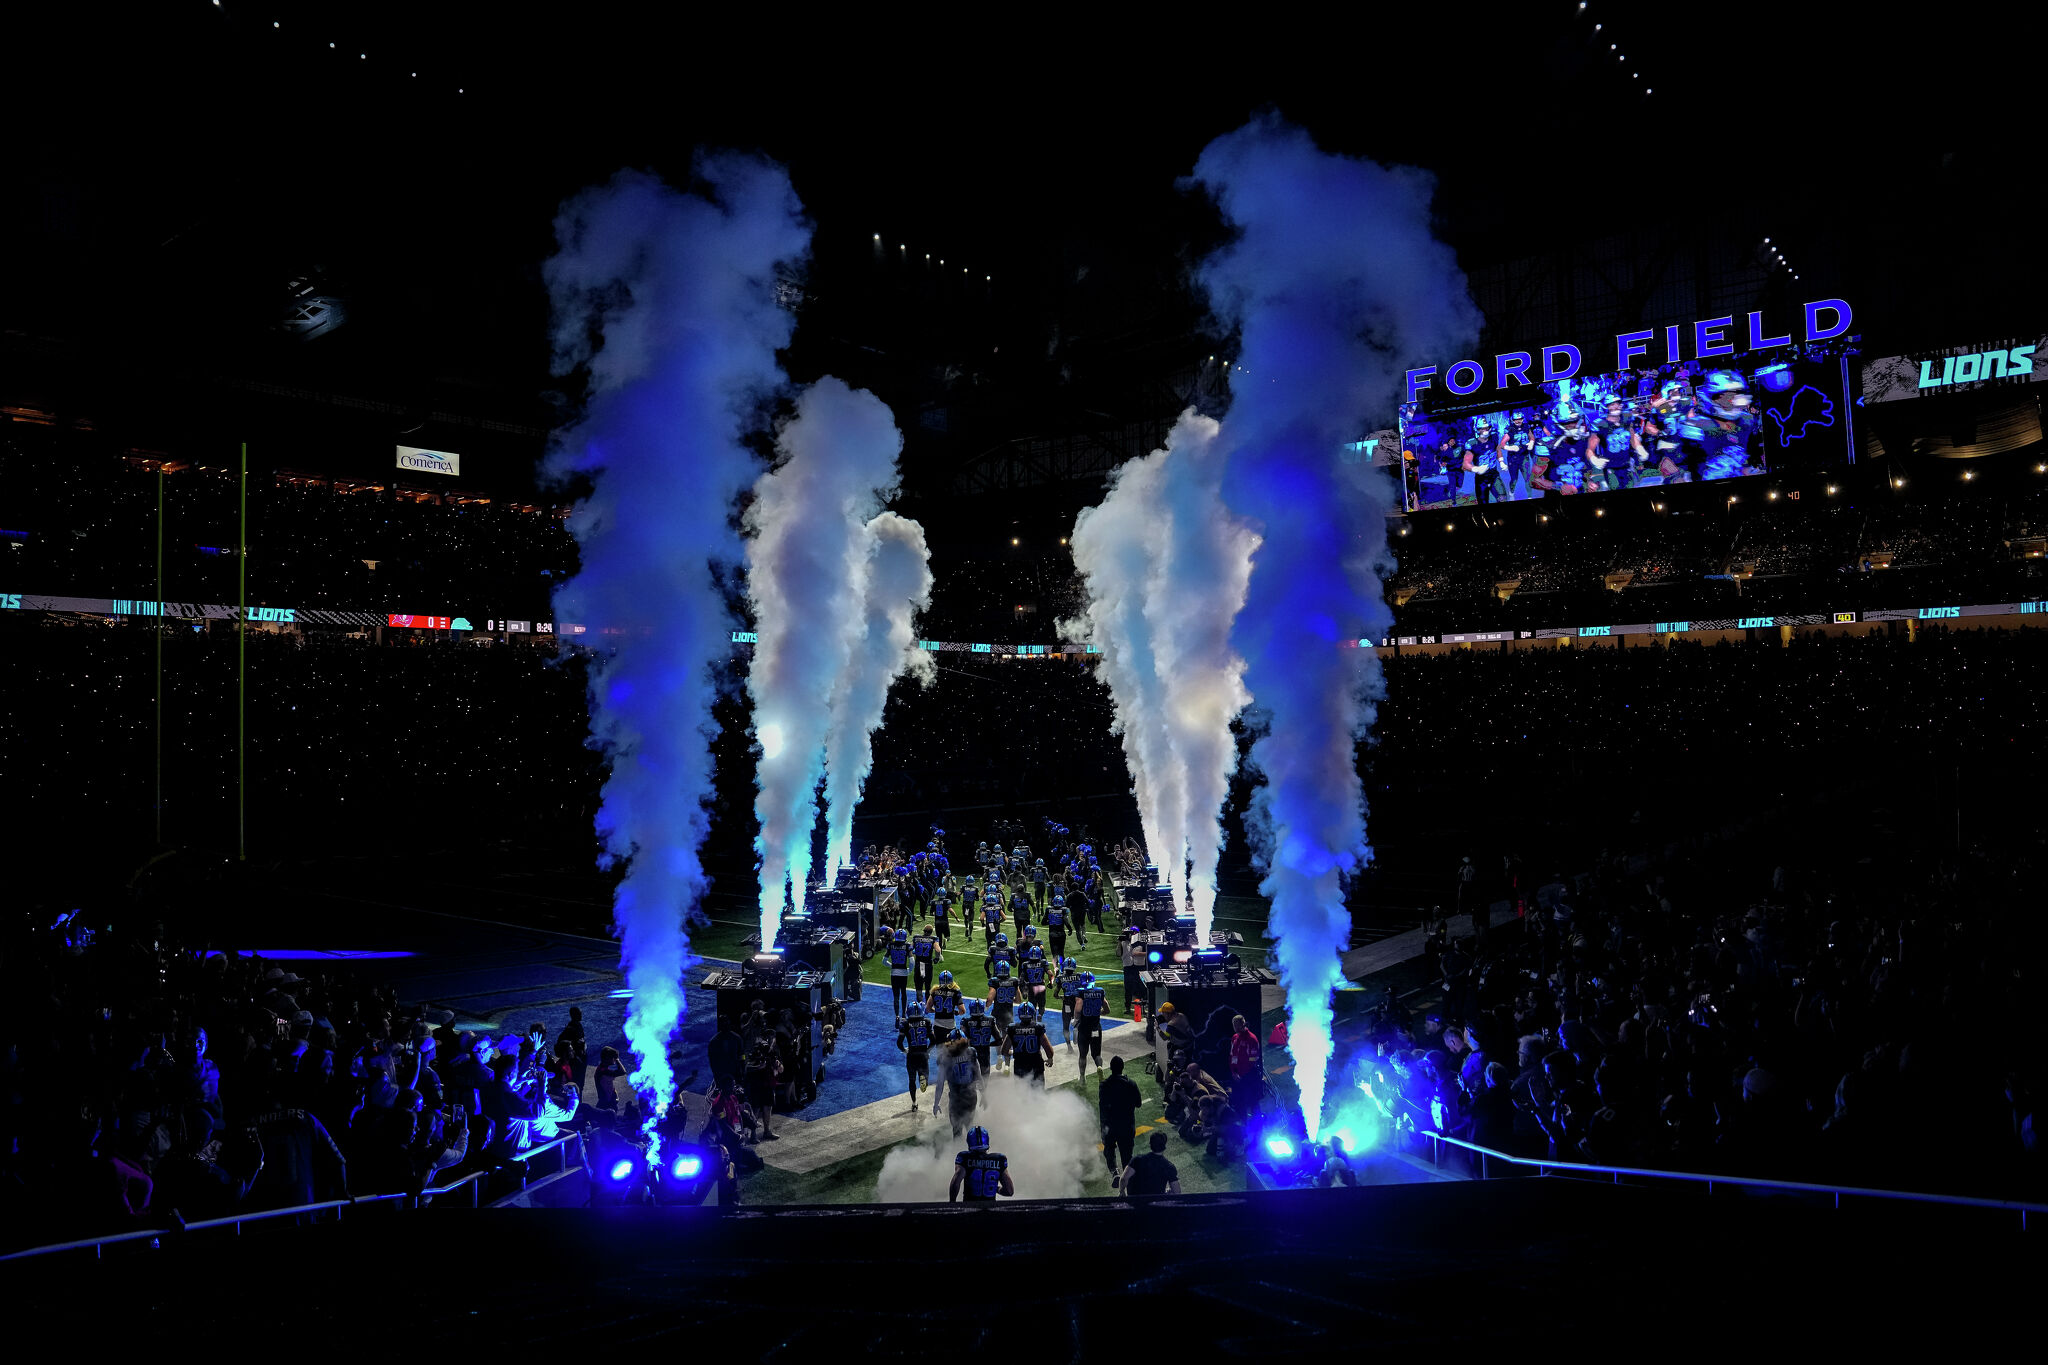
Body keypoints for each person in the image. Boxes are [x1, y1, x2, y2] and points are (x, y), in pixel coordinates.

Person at [1098, 1054, 1142, 1179]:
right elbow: (1138, 1104)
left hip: (1110, 1126)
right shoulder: (1131, 1084)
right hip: (1126, 1126)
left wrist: (1103, 1128)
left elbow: (1102, 1107)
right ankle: (1127, 1179)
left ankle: (1114, 1171)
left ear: (1111, 1068)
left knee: (1109, 1149)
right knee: (1127, 1155)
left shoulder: (1104, 1085)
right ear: (1122, 1067)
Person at [932, 1030, 984, 1136]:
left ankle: (959, 1146)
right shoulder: (971, 1052)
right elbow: (978, 1075)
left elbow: (940, 1084)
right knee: (970, 1129)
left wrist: (936, 1103)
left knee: (957, 1130)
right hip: (970, 1095)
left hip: (956, 1097)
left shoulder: (945, 1057)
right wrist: (984, 1094)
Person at [949, 1125, 1013, 1203]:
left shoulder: (965, 1158)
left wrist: (952, 1203)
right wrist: (996, 1189)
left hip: (969, 1207)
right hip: (991, 1208)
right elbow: (1009, 1191)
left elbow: (955, 1183)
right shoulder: (999, 1159)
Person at [897, 1001, 934, 1112]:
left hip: (912, 1055)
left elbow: (899, 1042)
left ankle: (914, 1103)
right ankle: (923, 1078)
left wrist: (905, 1050)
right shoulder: (927, 1022)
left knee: (912, 1080)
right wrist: (927, 1051)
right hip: (923, 1054)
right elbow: (933, 1041)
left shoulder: (905, 1023)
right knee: (924, 1079)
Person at [1120, 1130, 1182, 1197]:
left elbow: (1124, 1179)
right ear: (1164, 1146)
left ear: (1150, 1144)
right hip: (1155, 1202)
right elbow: (1177, 1192)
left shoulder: (1137, 1159)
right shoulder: (1169, 1166)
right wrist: (1168, 1192)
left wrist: (1122, 1192)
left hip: (1135, 1200)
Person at [1005, 1002, 1052, 1089]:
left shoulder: (1013, 1028)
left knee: (1021, 1093)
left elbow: (1004, 1050)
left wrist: (1014, 1051)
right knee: (1038, 1093)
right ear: (1033, 1013)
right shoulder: (1038, 1028)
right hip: (1036, 1064)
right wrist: (1050, 1058)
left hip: (1020, 1065)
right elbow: (1048, 1049)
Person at [1227, 1014, 1263, 1122]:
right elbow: (1232, 1055)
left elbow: (1253, 1059)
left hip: (1249, 1075)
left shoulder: (1252, 1039)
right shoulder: (1234, 1037)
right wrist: (1234, 1072)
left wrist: (1242, 1074)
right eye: (1234, 1025)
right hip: (1236, 1075)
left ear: (1243, 1024)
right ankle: (1242, 1122)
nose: (1235, 1028)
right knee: (1238, 1100)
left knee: (1253, 1100)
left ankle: (1257, 1123)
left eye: (1237, 1025)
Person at [1073, 972, 1107, 1078]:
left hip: (1084, 1028)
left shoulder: (1080, 992)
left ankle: (1082, 1078)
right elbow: (1107, 1009)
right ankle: (1099, 1067)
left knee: (1083, 1055)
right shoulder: (1100, 991)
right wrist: (1099, 1012)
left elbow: (1078, 1008)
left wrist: (1076, 1020)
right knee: (1097, 1054)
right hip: (1096, 1028)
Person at [961, 998, 1000, 1078]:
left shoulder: (966, 1021)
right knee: (984, 1080)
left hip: (971, 1055)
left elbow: (962, 1041)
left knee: (972, 1080)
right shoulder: (990, 1020)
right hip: (985, 1055)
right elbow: (999, 1040)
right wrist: (988, 1044)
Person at [927, 969, 964, 1037]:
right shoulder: (956, 992)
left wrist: (937, 1011)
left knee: (939, 1043)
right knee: (951, 1043)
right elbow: (962, 1011)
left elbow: (928, 1009)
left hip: (938, 1025)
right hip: (950, 1025)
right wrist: (956, 1012)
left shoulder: (935, 991)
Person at [1056, 956, 1084, 1046]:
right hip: (1077, 1003)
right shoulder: (1079, 976)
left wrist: (1062, 997)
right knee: (1080, 1022)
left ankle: (1069, 1046)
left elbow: (1055, 994)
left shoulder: (1060, 977)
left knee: (1066, 1026)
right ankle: (1077, 1034)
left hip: (1067, 1004)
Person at [886, 928, 913, 1018]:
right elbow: (912, 961)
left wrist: (892, 965)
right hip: (903, 973)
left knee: (896, 996)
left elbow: (884, 961)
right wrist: (909, 970)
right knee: (903, 993)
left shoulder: (890, 945)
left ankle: (897, 1015)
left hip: (894, 973)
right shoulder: (907, 946)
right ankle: (903, 1014)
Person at [593, 1045, 625, 1112]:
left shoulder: (602, 1068)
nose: (614, 1061)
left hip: (607, 1099)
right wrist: (617, 1060)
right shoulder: (603, 1071)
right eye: (613, 1058)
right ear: (607, 1058)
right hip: (606, 1102)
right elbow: (623, 1072)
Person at [912, 924, 940, 997]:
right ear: (931, 932)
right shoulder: (933, 939)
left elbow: (910, 948)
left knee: (918, 987)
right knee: (927, 986)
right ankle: (928, 1002)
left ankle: (920, 1002)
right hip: (927, 965)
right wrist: (937, 958)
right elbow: (938, 950)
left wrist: (915, 951)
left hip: (918, 964)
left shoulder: (916, 938)